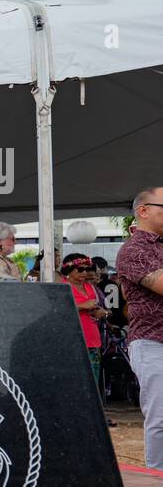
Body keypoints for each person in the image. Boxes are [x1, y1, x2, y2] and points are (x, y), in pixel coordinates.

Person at [114, 187, 163, 468]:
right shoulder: (134, 250)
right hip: (153, 342)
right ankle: (158, 480)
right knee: (160, 416)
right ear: (143, 211)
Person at [61, 254, 111, 421]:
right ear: (69, 269)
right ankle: (72, 415)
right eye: (80, 269)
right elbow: (57, 310)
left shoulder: (90, 288)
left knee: (92, 380)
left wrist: (99, 312)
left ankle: (90, 416)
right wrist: (82, 306)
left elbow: (94, 308)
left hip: (92, 337)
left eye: (86, 269)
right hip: (72, 340)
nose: (84, 273)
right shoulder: (62, 286)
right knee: (73, 379)